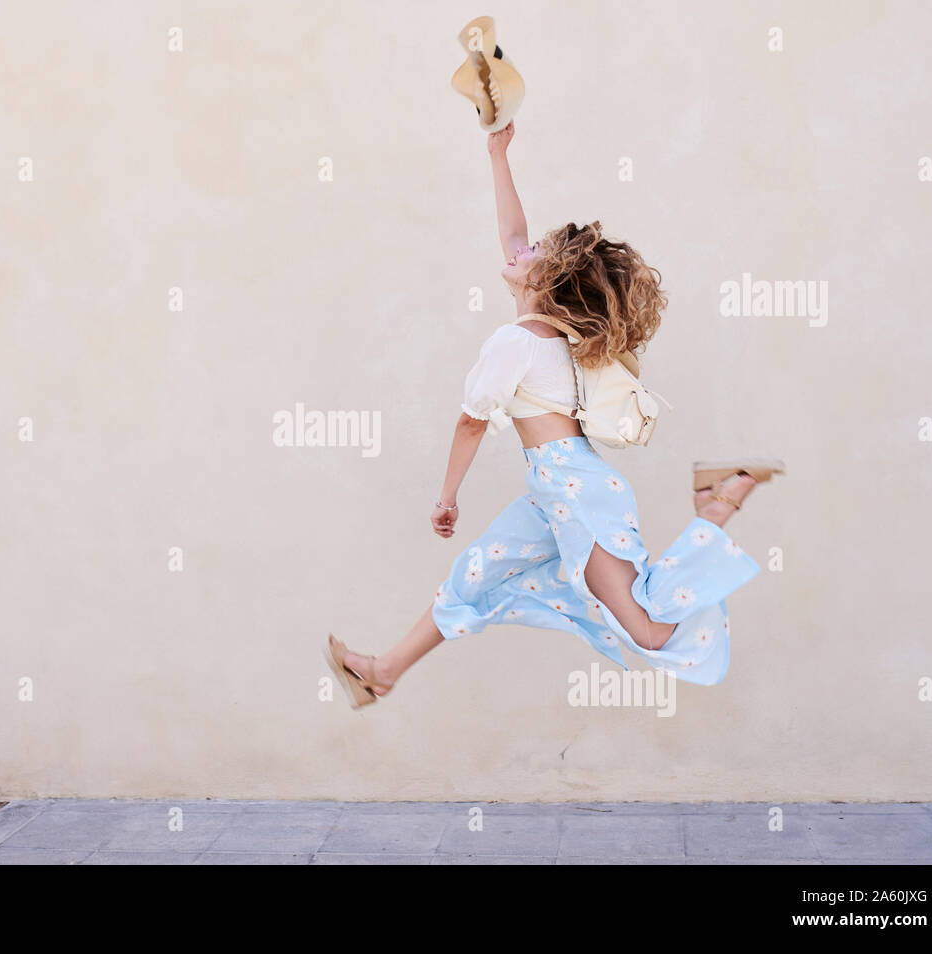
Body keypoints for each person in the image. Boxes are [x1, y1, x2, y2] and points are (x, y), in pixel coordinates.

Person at [325, 120, 784, 708]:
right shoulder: (544, 334)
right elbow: (512, 229)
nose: (522, 249)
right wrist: (497, 152)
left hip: (578, 494)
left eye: (535, 253)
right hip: (556, 490)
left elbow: (470, 423)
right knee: (475, 576)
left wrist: (447, 498)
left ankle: (717, 502)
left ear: (545, 282)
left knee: (648, 631)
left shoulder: (515, 344)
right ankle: (380, 673)